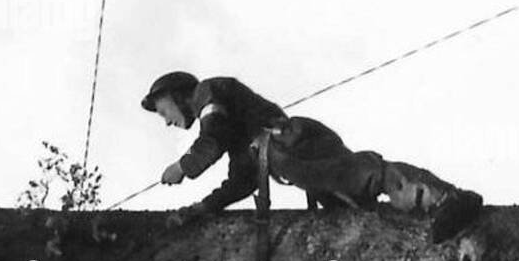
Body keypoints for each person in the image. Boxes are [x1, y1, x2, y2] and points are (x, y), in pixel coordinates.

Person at [141, 71, 484, 243]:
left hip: (293, 145)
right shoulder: (239, 139)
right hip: (288, 152)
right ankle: (432, 221)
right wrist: (201, 209)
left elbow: (210, 138)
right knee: (355, 210)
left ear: (175, 94)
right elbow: (241, 182)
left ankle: (448, 199)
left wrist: (183, 167)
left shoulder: (207, 93)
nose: (168, 121)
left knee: (361, 176)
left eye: (163, 111)